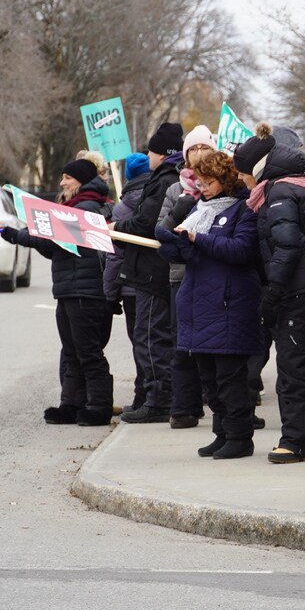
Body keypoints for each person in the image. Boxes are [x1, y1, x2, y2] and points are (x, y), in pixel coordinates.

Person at [234, 123, 305, 464]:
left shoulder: (279, 192)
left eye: (244, 174)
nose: (243, 182)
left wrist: (273, 293)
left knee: (293, 367)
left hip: (300, 290)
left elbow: (287, 247)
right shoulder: (301, 181)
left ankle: (294, 441)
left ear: (256, 168)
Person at [154, 152, 261, 460]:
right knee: (209, 378)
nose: (203, 187)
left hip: (230, 304)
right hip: (200, 303)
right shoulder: (198, 209)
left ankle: (240, 437)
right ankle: (222, 433)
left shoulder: (245, 209)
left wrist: (197, 238)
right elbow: (191, 254)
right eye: (199, 181)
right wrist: (172, 246)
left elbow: (241, 250)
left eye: (209, 181)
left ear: (225, 180)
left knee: (230, 378)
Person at [0, 159, 114, 426]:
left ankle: (98, 407)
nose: (62, 183)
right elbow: (55, 248)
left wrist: (18, 236)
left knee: (88, 352)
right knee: (72, 351)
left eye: (68, 178)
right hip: (70, 289)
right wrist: (30, 238)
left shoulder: (84, 208)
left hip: (85, 292)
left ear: (81, 181)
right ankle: (71, 405)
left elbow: (49, 238)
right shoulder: (73, 206)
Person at [114, 122, 184, 424]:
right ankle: (149, 396)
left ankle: (158, 400)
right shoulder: (162, 178)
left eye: (152, 150)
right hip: (148, 270)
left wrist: (117, 227)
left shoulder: (165, 180)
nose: (149, 155)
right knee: (147, 335)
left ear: (160, 153)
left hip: (153, 272)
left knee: (151, 337)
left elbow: (145, 223)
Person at [160, 124, 219, 429]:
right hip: (181, 276)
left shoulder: (225, 184)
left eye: (203, 147)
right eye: (192, 149)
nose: (198, 154)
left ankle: (225, 406)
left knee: (216, 342)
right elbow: (161, 231)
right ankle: (184, 407)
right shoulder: (175, 191)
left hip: (216, 274)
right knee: (182, 343)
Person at [104, 152, 153, 413]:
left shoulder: (122, 210)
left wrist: (110, 294)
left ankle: (142, 397)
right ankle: (149, 395)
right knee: (153, 343)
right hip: (156, 283)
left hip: (131, 287)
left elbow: (114, 257)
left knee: (140, 345)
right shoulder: (159, 197)